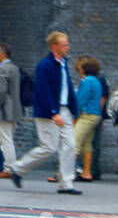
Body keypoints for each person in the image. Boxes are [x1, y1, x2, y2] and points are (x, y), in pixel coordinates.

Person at [9, 31, 82, 195]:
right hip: (47, 111)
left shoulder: (63, 63)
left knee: (70, 146)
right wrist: (53, 112)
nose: (68, 48)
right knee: (49, 147)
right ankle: (18, 168)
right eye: (64, 45)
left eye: (67, 45)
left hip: (65, 109)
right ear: (54, 46)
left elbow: (68, 87)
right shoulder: (44, 66)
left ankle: (66, 183)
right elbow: (43, 91)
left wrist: (73, 109)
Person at [0, 43, 22, 177]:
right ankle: (11, 167)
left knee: (5, 140)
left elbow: (1, 91)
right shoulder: (14, 68)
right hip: (15, 108)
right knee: (9, 138)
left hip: (5, 109)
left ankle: (9, 168)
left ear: (3, 54)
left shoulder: (2, 69)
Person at [74, 57, 103, 182]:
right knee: (87, 145)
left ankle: (64, 173)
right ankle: (86, 173)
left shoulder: (86, 81)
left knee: (73, 143)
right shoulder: (96, 80)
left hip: (86, 115)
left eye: (80, 66)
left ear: (84, 68)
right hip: (95, 115)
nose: (78, 68)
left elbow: (81, 100)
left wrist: (74, 116)